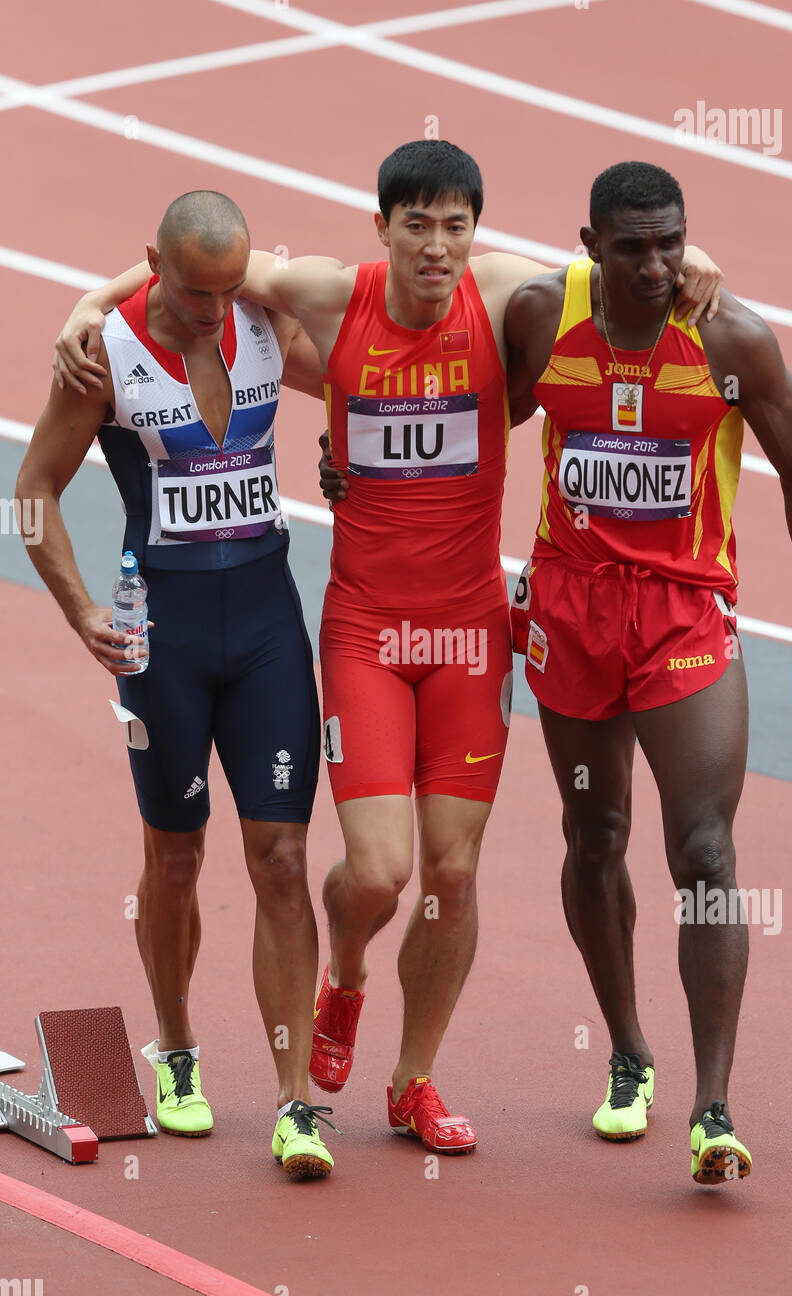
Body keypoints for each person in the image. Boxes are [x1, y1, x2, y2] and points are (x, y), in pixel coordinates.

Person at [53, 142, 722, 1157]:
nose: (437, 247)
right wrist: (88, 302)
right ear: (382, 228)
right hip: (364, 629)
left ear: (474, 235)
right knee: (375, 872)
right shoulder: (327, 293)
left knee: (453, 873)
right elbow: (200, 264)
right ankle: (345, 976)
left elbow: (639, 264)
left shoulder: (502, 293)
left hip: (467, 633)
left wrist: (700, 260)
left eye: (456, 226)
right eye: (419, 225)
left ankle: (412, 1080)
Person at [503, 160, 792, 1183]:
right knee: (593, 831)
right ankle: (624, 1050)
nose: (654, 266)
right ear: (588, 245)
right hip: (568, 605)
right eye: (631, 247)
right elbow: (456, 389)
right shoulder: (537, 316)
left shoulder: (727, 337)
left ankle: (711, 1104)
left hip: (683, 615)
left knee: (703, 849)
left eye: (669, 242)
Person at [17, 190, 341, 1180]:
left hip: (268, 628)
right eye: (194, 292)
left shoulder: (262, 316)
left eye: (226, 289)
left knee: (282, 859)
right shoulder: (102, 354)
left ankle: (295, 1102)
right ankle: (177, 1046)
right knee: (176, 858)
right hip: (162, 639)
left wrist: (342, 455)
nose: (212, 312)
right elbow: (31, 493)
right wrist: (81, 616)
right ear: (152, 262)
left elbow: (376, 386)